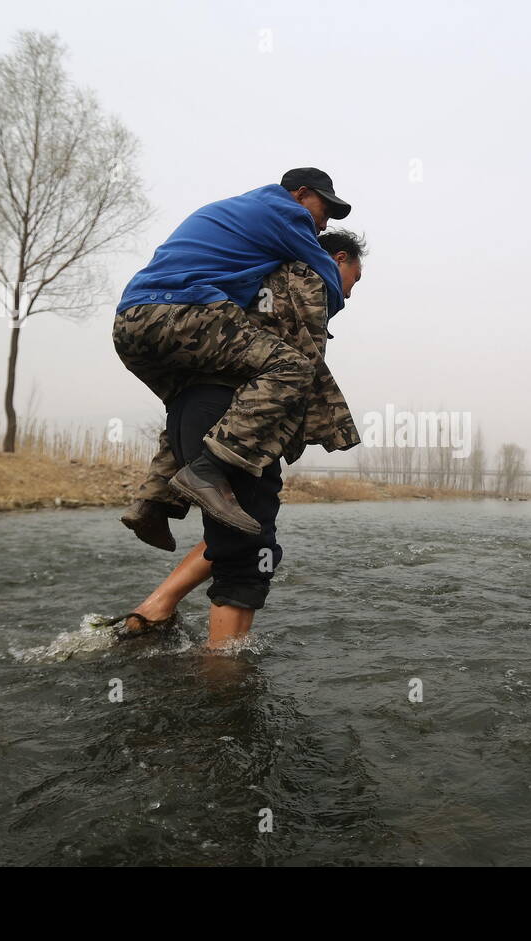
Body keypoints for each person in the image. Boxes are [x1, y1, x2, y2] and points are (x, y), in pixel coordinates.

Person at [109, 230, 366, 647]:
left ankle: (154, 609)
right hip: (232, 419)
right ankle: (223, 681)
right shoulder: (305, 275)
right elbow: (302, 362)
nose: (350, 294)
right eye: (355, 278)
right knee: (248, 551)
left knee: (236, 526)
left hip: (192, 412)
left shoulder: (246, 279)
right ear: (338, 259)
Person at [112, 168, 352, 543]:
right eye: (325, 210)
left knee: (190, 396)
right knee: (290, 366)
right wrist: (335, 297)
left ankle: (151, 502)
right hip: (178, 311)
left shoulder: (241, 213)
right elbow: (323, 276)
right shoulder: (283, 211)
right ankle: (207, 471)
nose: (322, 225)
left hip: (133, 324)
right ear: (301, 194)